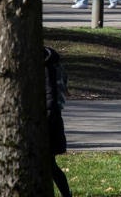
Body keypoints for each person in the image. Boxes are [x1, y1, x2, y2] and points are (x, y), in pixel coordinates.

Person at [44, 46, 72, 197]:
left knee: (49, 164)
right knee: (50, 165)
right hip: (53, 116)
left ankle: (66, 194)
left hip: (49, 119)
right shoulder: (56, 64)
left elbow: (51, 96)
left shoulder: (47, 67)